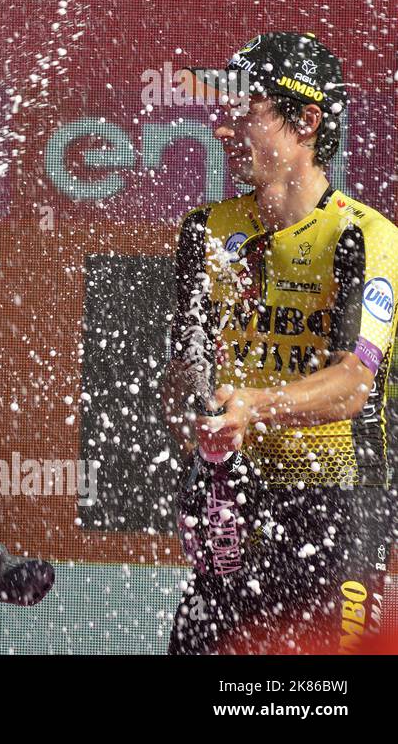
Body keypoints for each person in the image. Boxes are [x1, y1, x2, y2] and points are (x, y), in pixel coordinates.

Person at [163, 32, 396, 653]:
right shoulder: (206, 233)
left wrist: (250, 408)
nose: (222, 128)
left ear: (307, 122)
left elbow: (353, 384)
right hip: (237, 498)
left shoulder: (363, 236)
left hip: (338, 502)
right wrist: (205, 441)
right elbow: (181, 374)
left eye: (246, 110)